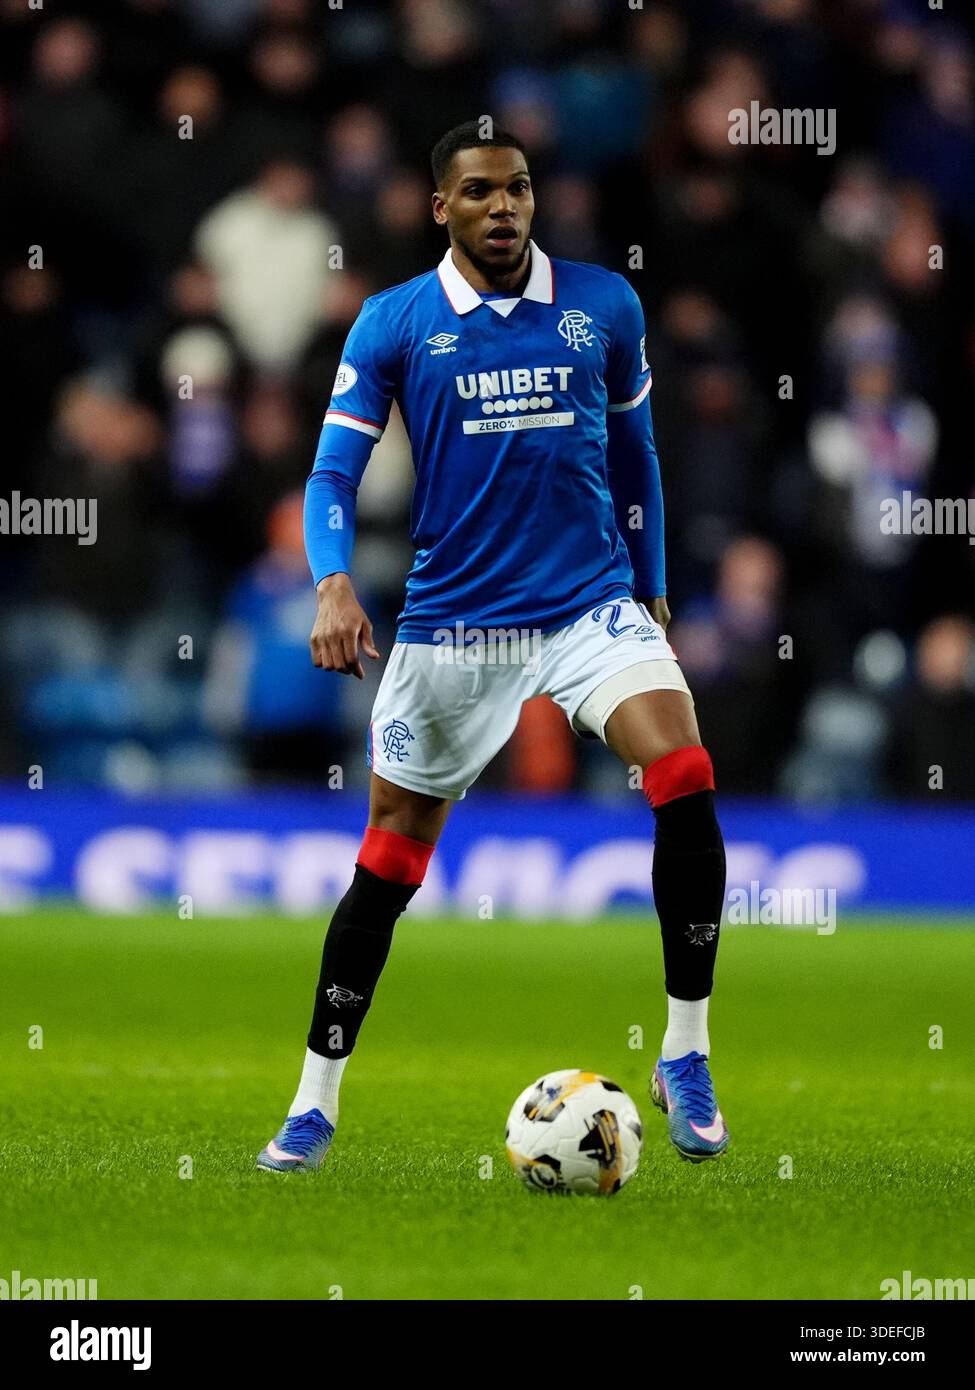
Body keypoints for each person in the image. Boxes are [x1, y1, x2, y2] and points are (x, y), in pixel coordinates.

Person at [256, 121, 730, 1176]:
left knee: (685, 769)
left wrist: (651, 591)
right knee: (388, 865)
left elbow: (637, 454)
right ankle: (314, 1099)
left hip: (587, 603)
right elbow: (332, 476)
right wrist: (333, 579)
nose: (504, 207)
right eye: (479, 192)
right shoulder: (394, 323)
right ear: (442, 207)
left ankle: (686, 1051)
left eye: (517, 188)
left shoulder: (604, 303)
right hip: (455, 624)